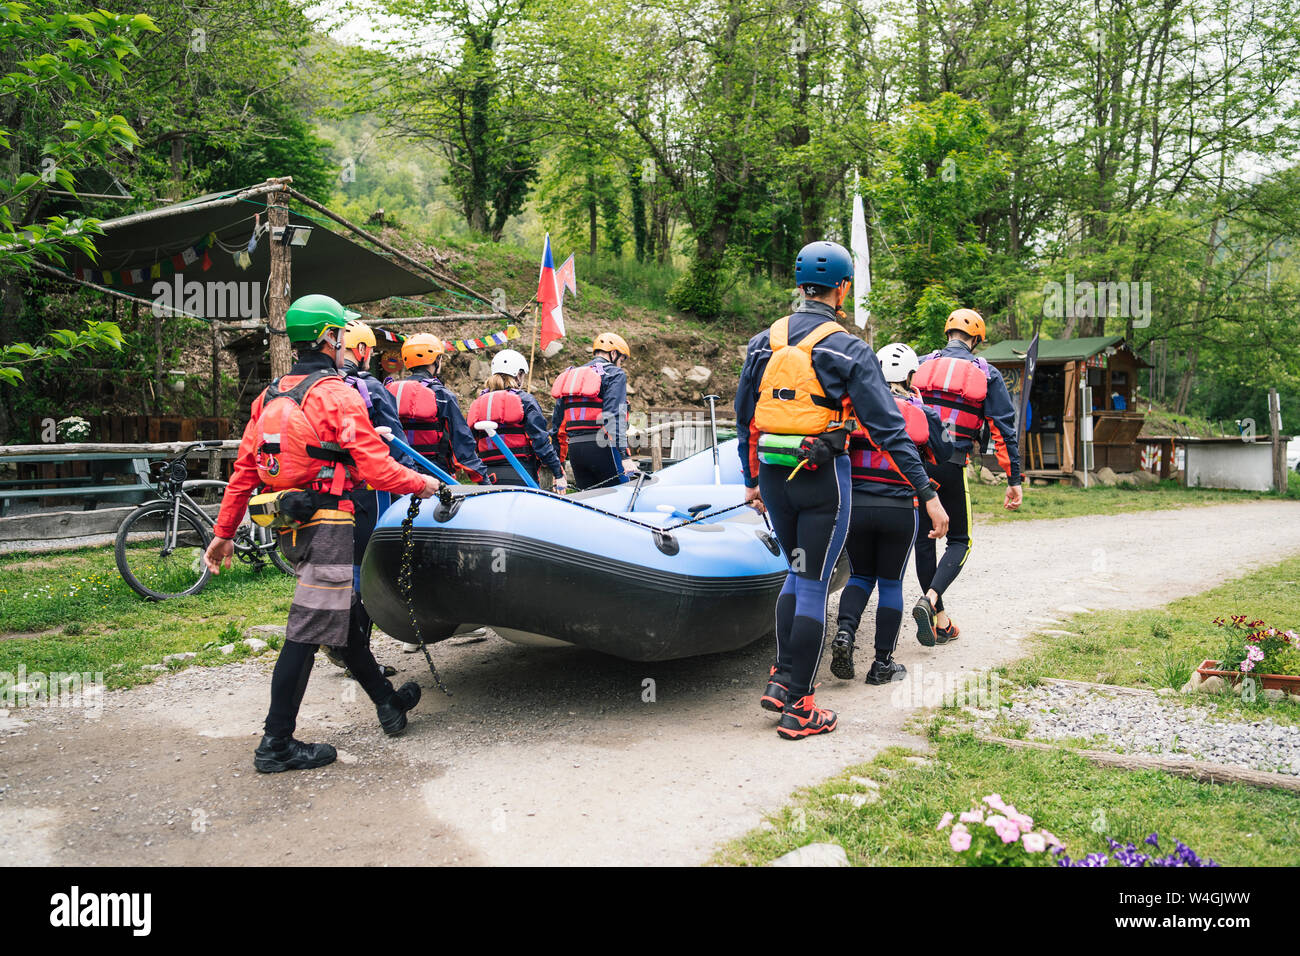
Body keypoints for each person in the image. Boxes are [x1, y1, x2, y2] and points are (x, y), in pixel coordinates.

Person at [202, 294, 441, 773]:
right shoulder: (336, 393)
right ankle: (276, 744)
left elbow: (244, 473)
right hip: (330, 524)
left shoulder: (269, 396)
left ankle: (388, 702)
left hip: (289, 526)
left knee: (343, 621)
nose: (345, 346)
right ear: (330, 337)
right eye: (341, 336)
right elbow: (376, 467)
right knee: (308, 632)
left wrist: (224, 531)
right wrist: (424, 483)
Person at [735, 241, 949, 740]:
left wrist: (751, 482)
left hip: (773, 471)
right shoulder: (848, 348)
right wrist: (928, 493)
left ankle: (781, 679)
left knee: (797, 570)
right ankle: (802, 706)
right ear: (843, 288)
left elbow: (745, 418)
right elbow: (890, 430)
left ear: (799, 284)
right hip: (821, 478)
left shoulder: (760, 343)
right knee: (812, 582)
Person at [831, 342, 948, 684]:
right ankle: (882, 663)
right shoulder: (921, 413)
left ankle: (845, 634)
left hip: (857, 508)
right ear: (910, 376)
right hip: (899, 509)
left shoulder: (855, 410)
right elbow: (945, 451)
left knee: (859, 576)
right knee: (891, 582)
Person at [911, 308, 1023, 646]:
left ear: (947, 334)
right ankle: (931, 601)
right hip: (951, 463)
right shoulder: (986, 373)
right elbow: (1004, 429)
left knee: (925, 538)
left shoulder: (919, 363)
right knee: (960, 539)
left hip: (914, 465)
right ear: (975, 340)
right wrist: (1013, 478)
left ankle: (941, 621)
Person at [319, 317, 409, 677]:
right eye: (370, 350)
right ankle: (356, 654)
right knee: (363, 569)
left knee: (336, 568)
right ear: (360, 350)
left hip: (327, 491)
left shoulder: (321, 386)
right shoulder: (369, 386)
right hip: (369, 491)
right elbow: (395, 442)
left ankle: (335, 641)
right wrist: (414, 482)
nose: (371, 357)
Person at [386, 332, 493, 484]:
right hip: (434, 473)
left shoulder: (388, 391)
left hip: (397, 472)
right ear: (436, 360)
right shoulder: (441, 395)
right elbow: (462, 443)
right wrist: (483, 480)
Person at [466, 348, 567, 490]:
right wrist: (558, 473)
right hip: (521, 474)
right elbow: (541, 442)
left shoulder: (478, 404)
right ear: (518, 375)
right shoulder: (525, 400)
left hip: (488, 478)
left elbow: (468, 444)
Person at [550, 332, 639, 490]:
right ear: (613, 353)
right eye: (622, 360)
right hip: (603, 448)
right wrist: (625, 457)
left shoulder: (570, 376)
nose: (621, 365)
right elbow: (613, 416)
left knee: (590, 504)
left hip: (576, 451)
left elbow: (558, 428)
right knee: (621, 498)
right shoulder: (615, 374)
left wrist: (559, 468)